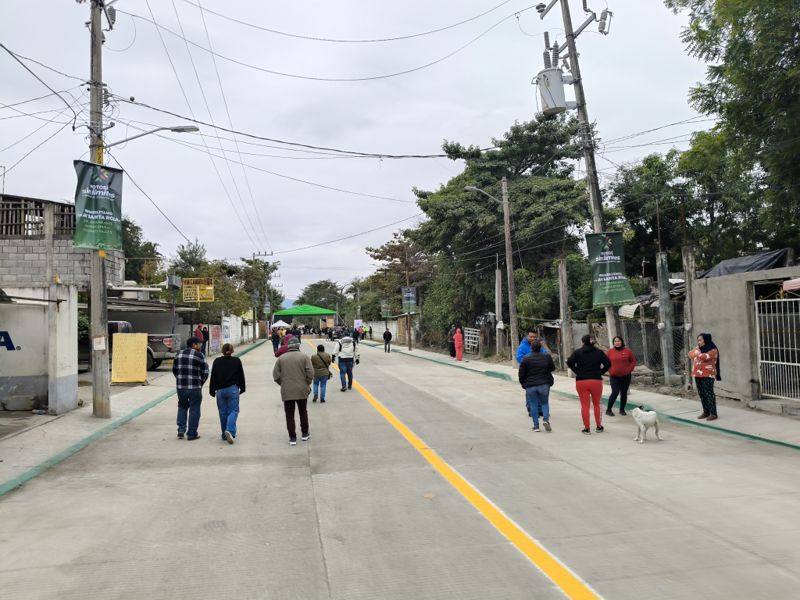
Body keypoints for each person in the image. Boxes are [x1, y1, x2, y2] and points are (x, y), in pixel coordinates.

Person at [567, 334, 611, 434]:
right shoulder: (599, 352)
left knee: (585, 405)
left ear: (583, 342)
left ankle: (587, 428)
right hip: (596, 381)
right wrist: (600, 372)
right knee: (596, 404)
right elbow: (608, 364)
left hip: (581, 381)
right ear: (593, 342)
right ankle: (599, 427)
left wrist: (577, 371)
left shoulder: (577, 352)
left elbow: (569, 362)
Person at [272, 337, 313, 445]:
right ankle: (305, 434)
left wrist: (283, 383)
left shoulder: (281, 359)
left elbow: (276, 376)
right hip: (302, 390)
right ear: (298, 345)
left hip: (287, 390)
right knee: (303, 412)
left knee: (289, 415)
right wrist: (306, 383)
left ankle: (292, 438)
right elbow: (310, 373)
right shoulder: (304, 357)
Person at [172, 337, 209, 441]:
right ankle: (192, 434)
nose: (200, 346)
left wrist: (180, 380)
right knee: (194, 409)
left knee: (182, 406)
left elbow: (174, 370)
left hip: (181, 388)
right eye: (199, 344)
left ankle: (181, 430)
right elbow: (205, 372)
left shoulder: (178, 354)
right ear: (194, 345)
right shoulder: (199, 355)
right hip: (195, 387)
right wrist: (200, 382)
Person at [209, 343, 246, 444]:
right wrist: (242, 387)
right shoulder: (236, 361)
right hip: (232, 389)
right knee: (234, 410)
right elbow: (240, 375)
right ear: (232, 351)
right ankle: (230, 430)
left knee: (222, 412)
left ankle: (224, 434)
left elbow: (213, 376)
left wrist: (211, 390)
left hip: (220, 391)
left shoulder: (217, 361)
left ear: (222, 350)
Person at [518, 339, 556, 432]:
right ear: (540, 348)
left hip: (530, 385)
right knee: (544, 403)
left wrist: (523, 383)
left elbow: (521, 373)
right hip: (544, 384)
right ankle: (546, 420)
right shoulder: (547, 357)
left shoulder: (526, 358)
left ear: (531, 348)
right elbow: (552, 368)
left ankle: (536, 426)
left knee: (533, 404)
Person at [689, 333, 721, 421]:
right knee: (701, 393)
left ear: (705, 340)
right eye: (698, 340)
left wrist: (697, 353)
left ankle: (713, 413)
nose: (698, 342)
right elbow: (690, 354)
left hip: (708, 374)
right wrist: (696, 353)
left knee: (709, 393)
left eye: (700, 340)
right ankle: (706, 412)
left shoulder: (713, 350)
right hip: (697, 374)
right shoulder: (699, 349)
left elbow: (704, 357)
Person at [605, 336, 636, 416]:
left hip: (626, 376)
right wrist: (611, 370)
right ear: (613, 343)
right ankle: (608, 410)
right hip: (614, 377)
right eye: (615, 341)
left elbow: (633, 361)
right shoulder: (610, 352)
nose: (617, 342)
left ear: (622, 342)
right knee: (615, 392)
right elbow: (606, 362)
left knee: (624, 393)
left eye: (618, 341)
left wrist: (629, 370)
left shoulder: (628, 351)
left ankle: (622, 410)